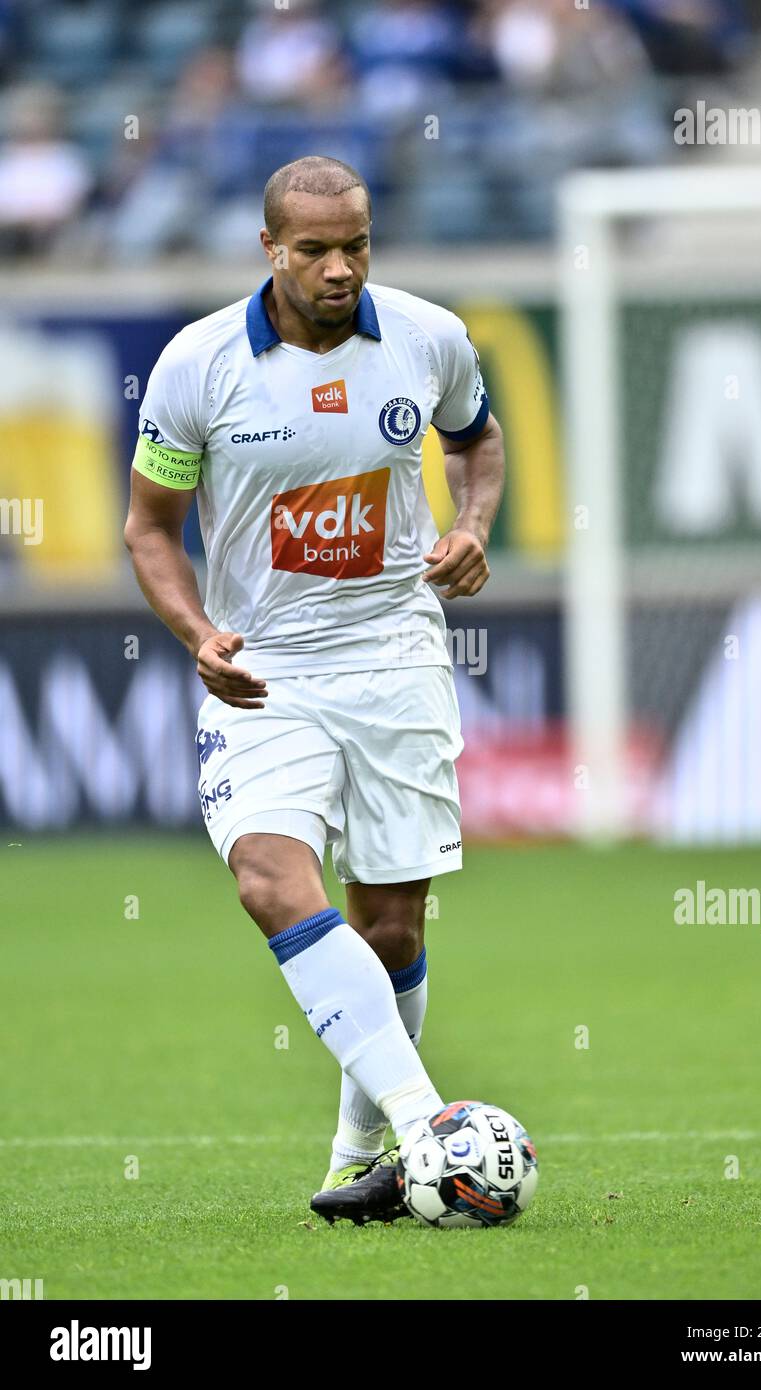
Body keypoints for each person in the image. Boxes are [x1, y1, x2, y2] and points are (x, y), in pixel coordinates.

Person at [123, 154, 505, 1225]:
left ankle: (359, 1157)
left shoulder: (428, 337)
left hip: (394, 662)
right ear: (268, 249)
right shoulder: (198, 364)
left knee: (389, 929)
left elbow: (477, 441)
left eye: (357, 247)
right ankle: (435, 1129)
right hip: (265, 675)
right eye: (315, 251)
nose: (340, 269)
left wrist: (471, 526)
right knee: (271, 882)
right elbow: (148, 530)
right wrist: (200, 632)